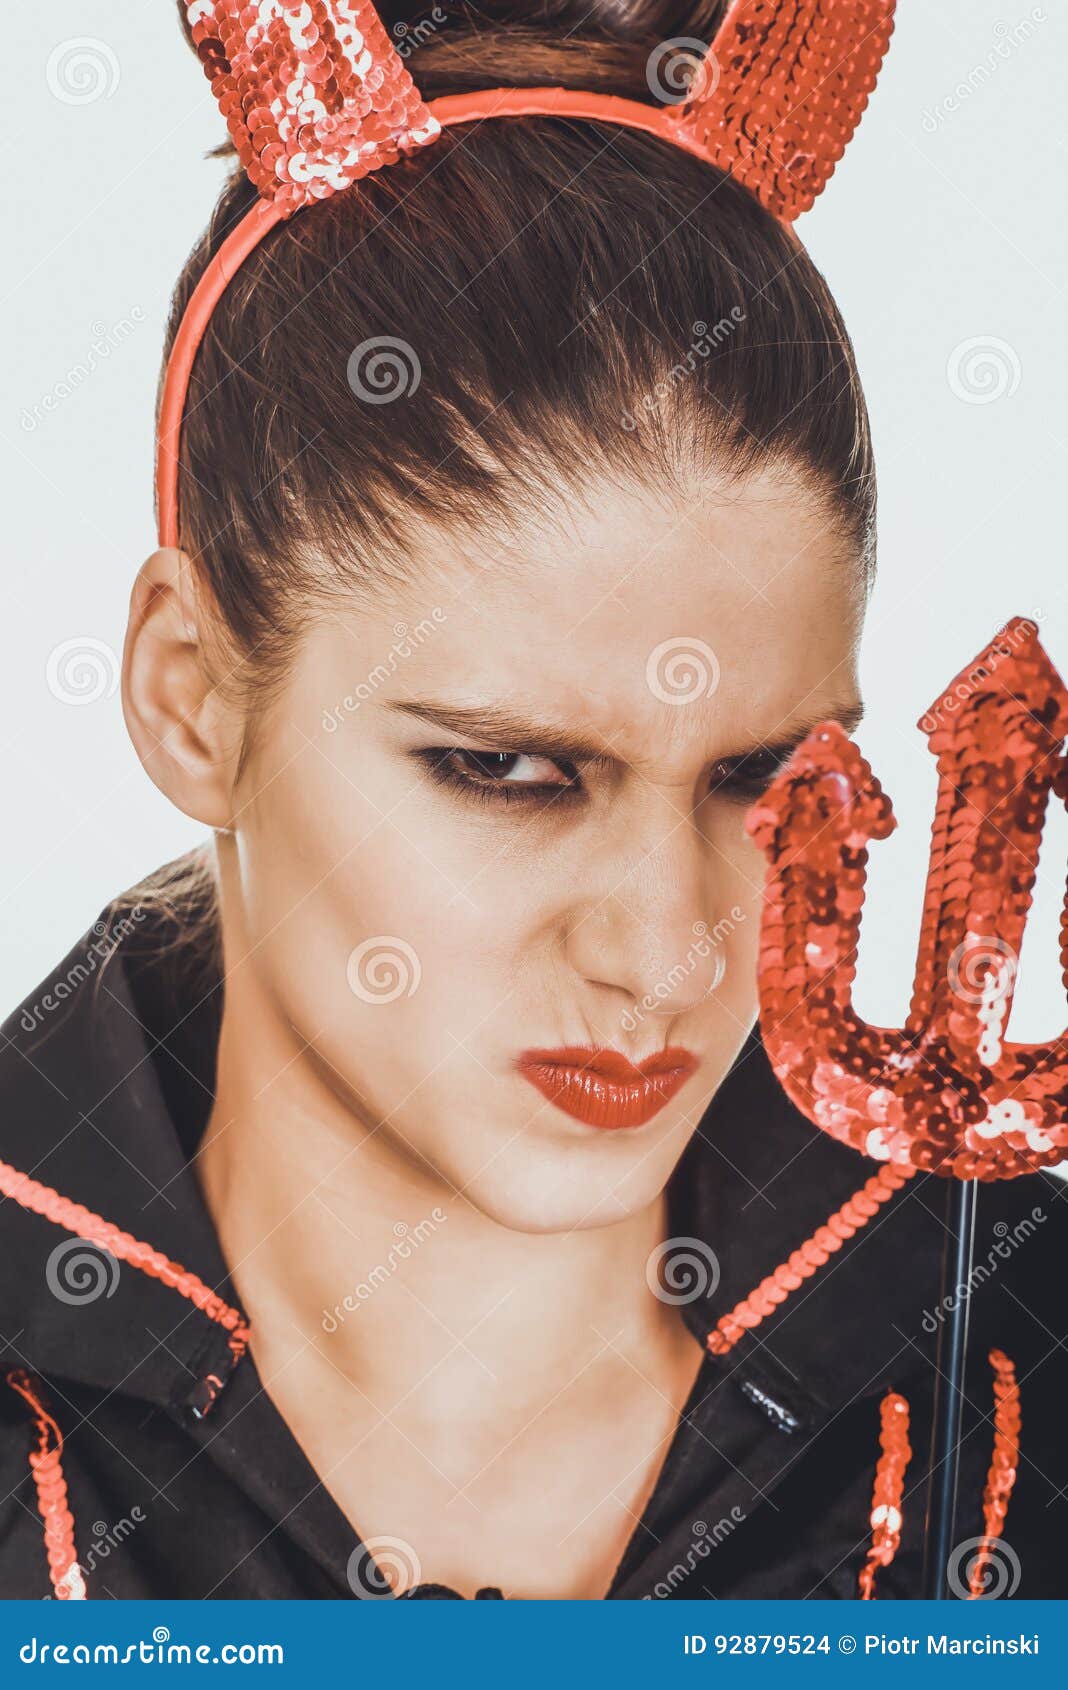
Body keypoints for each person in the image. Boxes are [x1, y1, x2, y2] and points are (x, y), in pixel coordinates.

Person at [1, 0, 1064, 1602]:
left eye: (763, 779)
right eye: (506, 770)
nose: (666, 955)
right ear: (191, 695)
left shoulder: (1024, 1357)